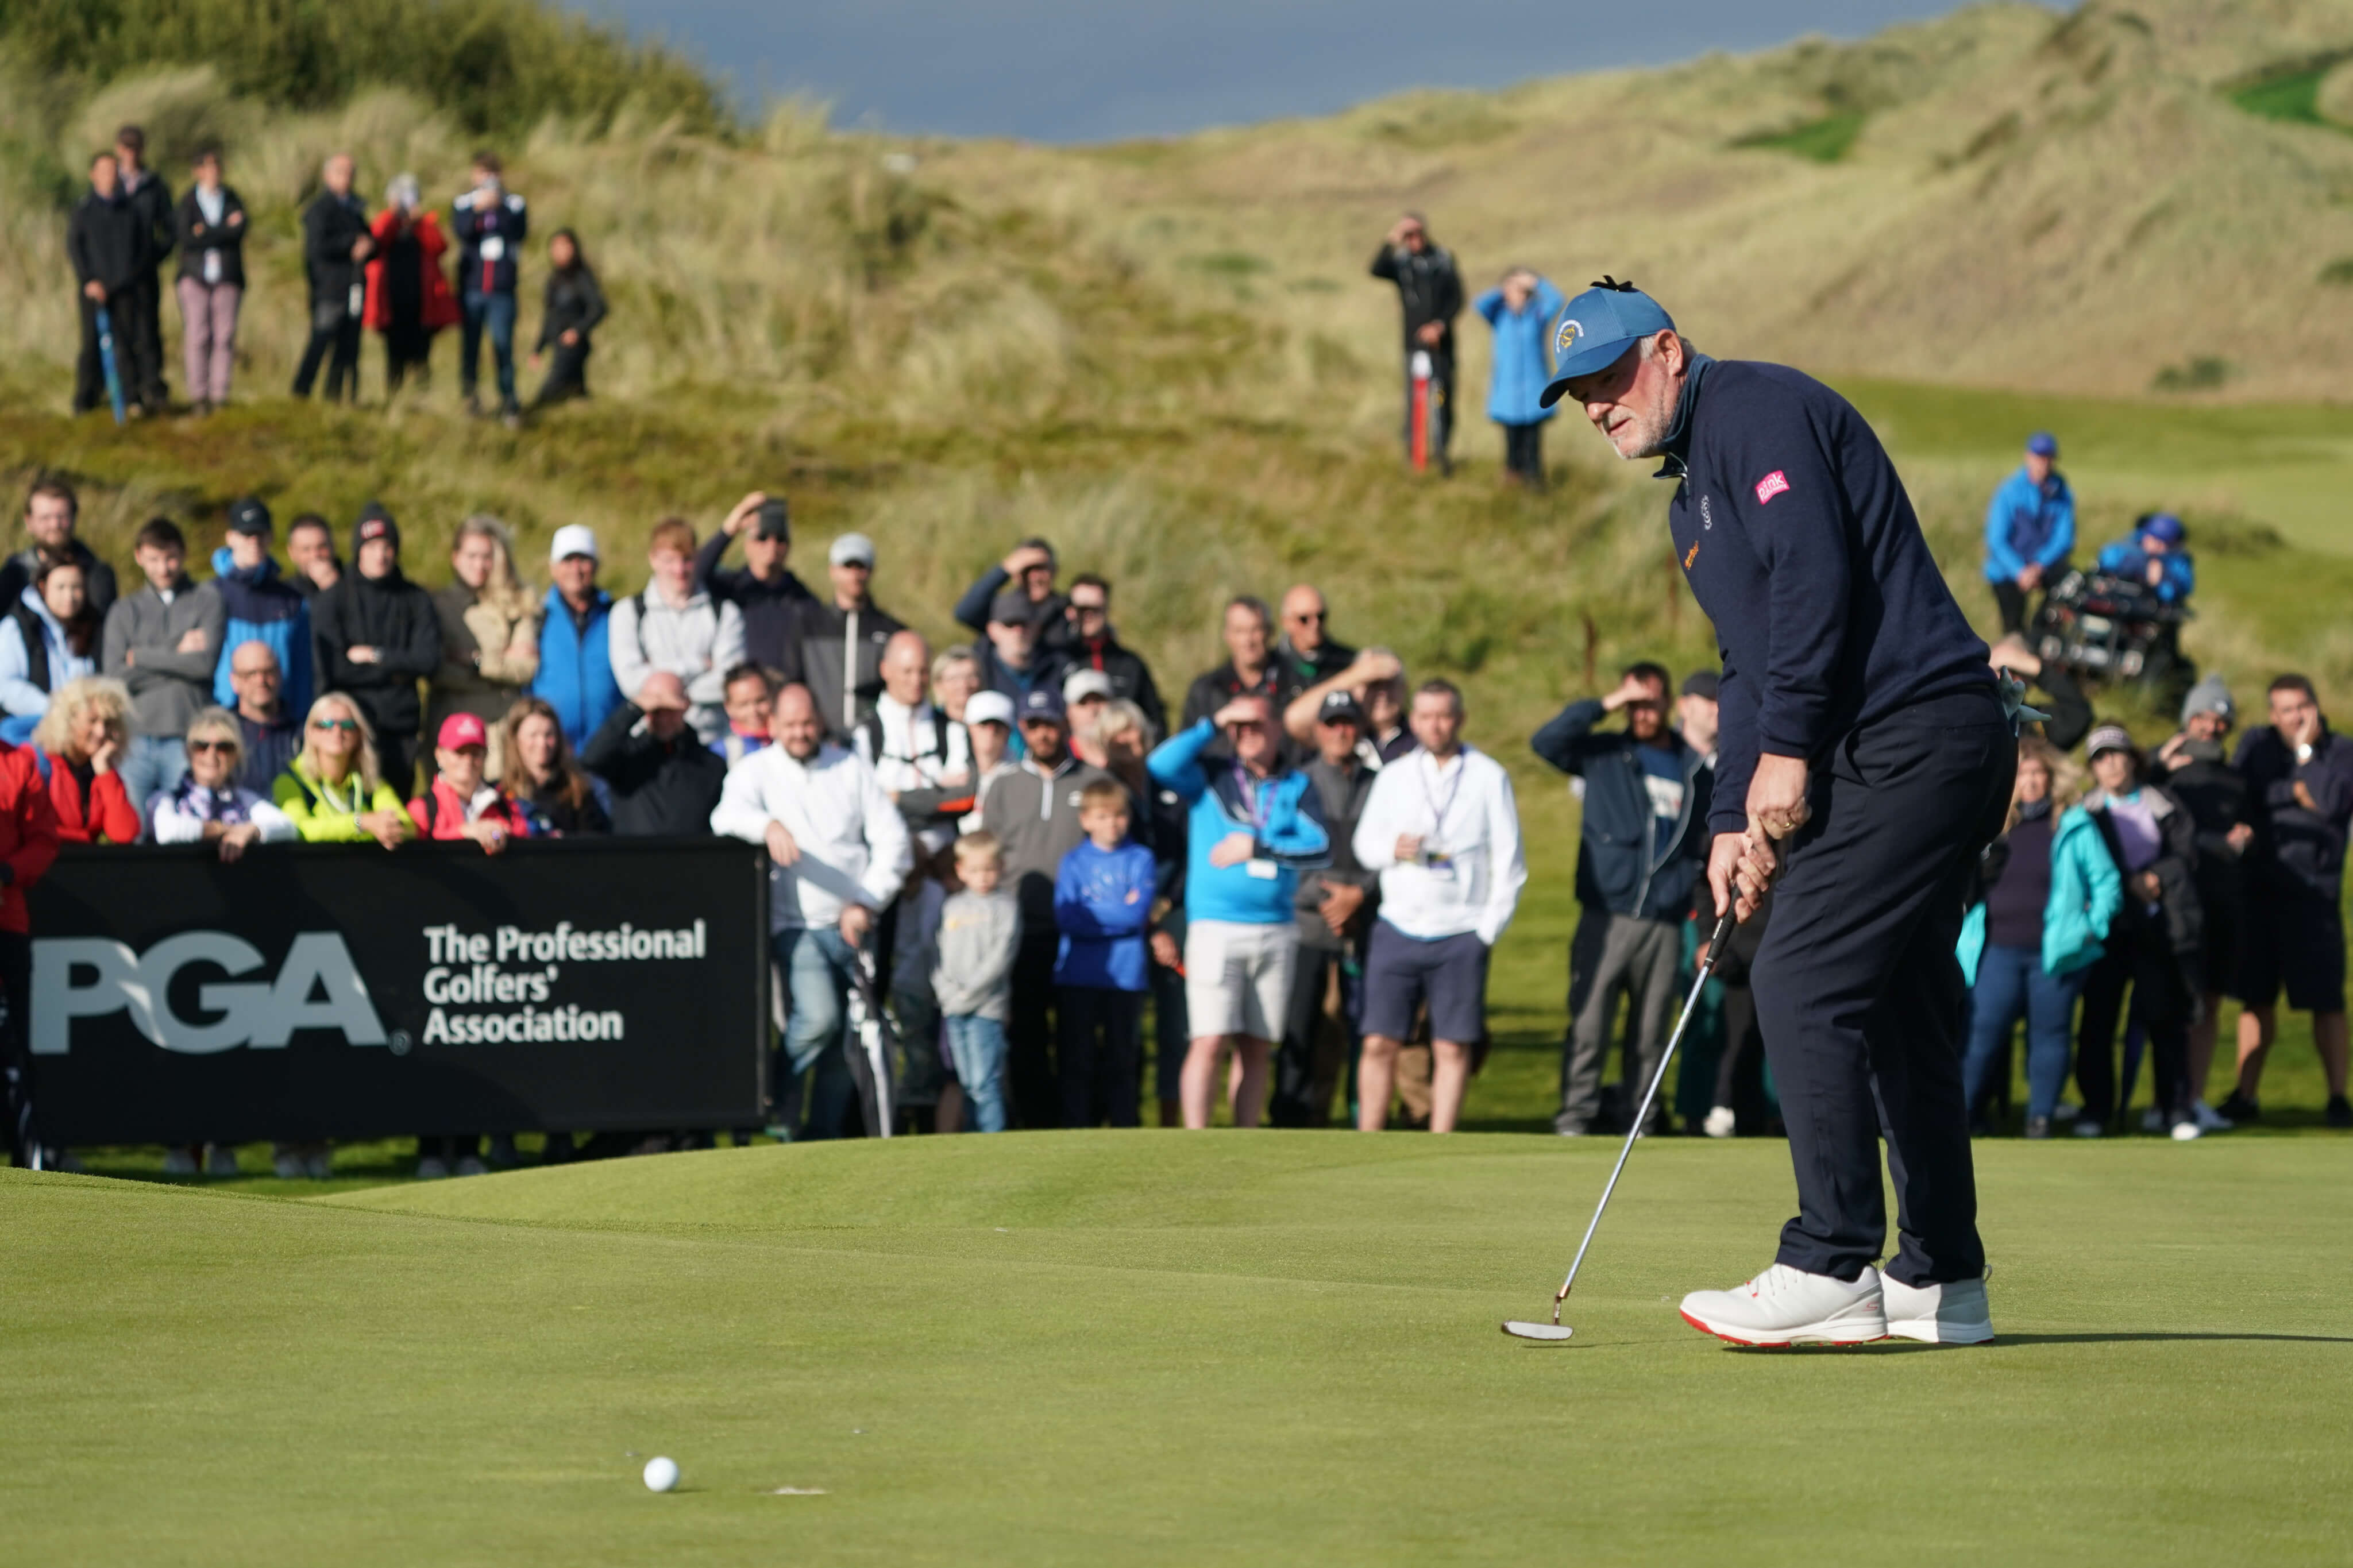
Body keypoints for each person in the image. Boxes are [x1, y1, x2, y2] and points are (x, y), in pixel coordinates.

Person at [1542, 278, 2012, 1346]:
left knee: (1800, 977)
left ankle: (1829, 1259)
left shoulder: (1754, 408)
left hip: (1917, 732)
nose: (1598, 406)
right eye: (1577, 395)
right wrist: (1725, 818)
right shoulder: (1688, 502)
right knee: (1898, 1007)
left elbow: (1814, 577)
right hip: (1908, 743)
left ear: (1667, 349)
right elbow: (1746, 668)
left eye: (1610, 377)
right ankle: (1943, 1281)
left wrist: (1790, 753)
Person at [712, 682, 912, 1140]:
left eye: (807, 723)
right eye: (791, 724)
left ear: (819, 721)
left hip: (855, 924)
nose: (801, 732)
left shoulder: (850, 768)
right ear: (773, 726)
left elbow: (894, 842)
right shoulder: (756, 770)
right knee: (818, 1020)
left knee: (847, 1042)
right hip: (796, 926)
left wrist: (867, 901)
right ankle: (773, 1104)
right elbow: (723, 817)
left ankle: (822, 1138)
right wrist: (766, 824)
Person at [1532, 664, 1710, 1136]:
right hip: (1607, 915)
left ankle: (1642, 1118)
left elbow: (1705, 846)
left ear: (1667, 704)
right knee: (1589, 1025)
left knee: (1651, 1034)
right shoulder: (1605, 753)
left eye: (1650, 702)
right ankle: (1577, 1115)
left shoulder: (1691, 766)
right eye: (1634, 704)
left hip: (1665, 920)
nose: (1642, 712)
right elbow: (1546, 742)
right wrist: (1605, 704)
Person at [1148, 693, 1330, 1130]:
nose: (1245, 733)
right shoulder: (1211, 777)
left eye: (1255, 724)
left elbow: (1319, 847)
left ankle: (1243, 1139)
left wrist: (1259, 847)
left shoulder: (1297, 785)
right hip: (1216, 927)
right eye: (1238, 726)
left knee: (1257, 1044)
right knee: (1209, 1039)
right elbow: (1161, 765)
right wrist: (1214, 722)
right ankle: (1196, 1139)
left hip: (1275, 930)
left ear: (1276, 728)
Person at [1353, 679, 1526, 1134]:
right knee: (1378, 1043)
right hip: (1398, 927)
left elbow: (1511, 862)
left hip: (1460, 932)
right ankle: (1365, 1142)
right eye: (1426, 716)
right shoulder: (1395, 777)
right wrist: (1393, 847)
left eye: (1444, 715)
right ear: (1413, 720)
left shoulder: (1489, 776)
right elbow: (1364, 845)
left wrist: (1485, 931)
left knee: (1452, 1047)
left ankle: (1441, 1140)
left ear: (1460, 718)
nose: (1435, 725)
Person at [1957, 738, 2120, 1138]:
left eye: (2037, 773)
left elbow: (2108, 884)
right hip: (1995, 949)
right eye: (2022, 774)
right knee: (1983, 1032)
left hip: (2057, 952)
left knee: (2050, 1034)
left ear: (2051, 778)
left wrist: (2089, 929)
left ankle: (2041, 1117)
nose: (2030, 781)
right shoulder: (1992, 824)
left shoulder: (2074, 823)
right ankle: (1961, 1118)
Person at [2224, 674, 2353, 1128]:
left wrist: (2302, 760)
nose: (2295, 717)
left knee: (2326, 1001)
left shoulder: (2341, 751)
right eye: (2284, 709)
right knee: (2256, 998)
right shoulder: (2256, 745)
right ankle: (2245, 1094)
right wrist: (2291, 792)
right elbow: (2243, 799)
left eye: (2302, 706)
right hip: (2260, 890)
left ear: (2315, 707)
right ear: (2271, 713)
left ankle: (2338, 1097)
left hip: (2315, 893)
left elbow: (2330, 802)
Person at [979, 688, 1112, 1126]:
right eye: (1033, 724)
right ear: (1022, 729)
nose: (1042, 733)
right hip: (1020, 929)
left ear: (1065, 726)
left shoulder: (1094, 781)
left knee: (1080, 1039)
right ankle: (1034, 1129)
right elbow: (989, 856)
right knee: (1027, 1036)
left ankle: (1083, 1125)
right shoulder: (1004, 785)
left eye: (1049, 723)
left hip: (1082, 931)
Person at [2075, 726, 2203, 1138]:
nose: (2110, 762)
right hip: (2107, 929)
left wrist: (2153, 877)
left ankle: (2174, 1110)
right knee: (2098, 1020)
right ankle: (2096, 1110)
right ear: (2093, 768)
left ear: (2133, 759)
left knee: (2166, 1018)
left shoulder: (2162, 803)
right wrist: (2124, 880)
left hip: (2156, 924)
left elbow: (2186, 853)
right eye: (2100, 757)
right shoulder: (2084, 811)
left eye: (2117, 753)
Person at [1275, 690, 1380, 1127]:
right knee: (1302, 1027)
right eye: (1332, 723)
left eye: (1348, 723)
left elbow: (1390, 853)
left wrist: (1360, 895)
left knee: (1369, 1032)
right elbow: (1284, 850)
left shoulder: (1381, 783)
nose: (1340, 731)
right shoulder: (1297, 784)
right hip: (1310, 925)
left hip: (1366, 923)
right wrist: (1330, 898)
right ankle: (1292, 1121)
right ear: (1317, 731)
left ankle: (1363, 1120)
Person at [2155, 676, 2251, 1133]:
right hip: (2176, 903)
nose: (2211, 727)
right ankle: (2165, 1102)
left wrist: (2245, 839)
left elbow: (2251, 833)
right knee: (2172, 1004)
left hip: (2224, 903)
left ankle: (2192, 1099)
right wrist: (2158, 764)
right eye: (2202, 717)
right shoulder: (2164, 770)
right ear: (2187, 720)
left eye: (2220, 720)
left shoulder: (2236, 780)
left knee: (2209, 1004)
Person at [311, 504, 440, 790]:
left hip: (401, 731)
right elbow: (336, 669)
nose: (380, 555)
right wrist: (398, 670)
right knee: (351, 814)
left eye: (387, 546)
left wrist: (375, 656)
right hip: (347, 733)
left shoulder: (416, 599)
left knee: (396, 816)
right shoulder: (334, 600)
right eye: (371, 546)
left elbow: (429, 660)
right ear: (359, 549)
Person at [1052, 778, 1156, 1127]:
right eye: (1102, 816)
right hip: (1078, 976)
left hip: (1125, 978)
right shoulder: (1073, 862)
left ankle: (1126, 1130)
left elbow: (1137, 915)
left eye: (1120, 815)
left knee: (1123, 1061)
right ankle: (1077, 1129)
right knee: (1077, 1060)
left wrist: (1094, 910)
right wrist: (1118, 911)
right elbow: (1067, 917)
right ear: (1085, 820)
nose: (1112, 824)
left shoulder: (1141, 858)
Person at [102, 517, 223, 806]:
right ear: (139, 557)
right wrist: (178, 652)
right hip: (134, 741)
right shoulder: (124, 610)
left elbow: (204, 666)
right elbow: (116, 678)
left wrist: (141, 657)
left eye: (170, 558)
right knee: (134, 835)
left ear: (183, 554)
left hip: (189, 737)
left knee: (184, 835)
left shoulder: (208, 600)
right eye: (154, 559)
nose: (163, 568)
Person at [611, 517, 745, 748]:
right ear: (653, 560)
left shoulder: (726, 612)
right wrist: (700, 667)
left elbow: (730, 680)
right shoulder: (627, 612)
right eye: (669, 560)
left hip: (711, 739)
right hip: (650, 740)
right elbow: (630, 680)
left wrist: (660, 678)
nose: (679, 570)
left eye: (687, 560)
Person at [427, 515, 541, 778]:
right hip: (453, 730)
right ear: (455, 557)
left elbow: (526, 668)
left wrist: (476, 662)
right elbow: (437, 669)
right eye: (472, 556)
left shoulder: (518, 603)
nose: (479, 565)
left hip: (503, 733)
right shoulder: (438, 606)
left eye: (487, 556)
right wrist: (501, 667)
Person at [0, 734, 61, 1169]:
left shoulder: (18, 764)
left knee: (15, 1047)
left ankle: (31, 1162)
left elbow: (44, 840)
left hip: (7, 921)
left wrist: (6, 872)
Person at [856, 629, 974, 852]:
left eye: (923, 671)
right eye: (907, 672)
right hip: (887, 856)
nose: (916, 681)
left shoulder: (952, 730)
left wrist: (896, 797)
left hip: (943, 859)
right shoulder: (864, 733)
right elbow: (863, 803)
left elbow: (965, 798)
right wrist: (937, 795)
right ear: (885, 670)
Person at [935, 832, 1022, 1133]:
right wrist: (947, 994)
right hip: (953, 1008)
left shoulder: (1006, 908)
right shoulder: (951, 907)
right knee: (967, 1083)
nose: (982, 877)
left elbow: (999, 960)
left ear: (1001, 867)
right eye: (974, 870)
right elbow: (938, 956)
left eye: (988, 869)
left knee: (986, 1082)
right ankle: (974, 1145)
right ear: (960, 871)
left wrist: (968, 994)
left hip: (987, 1009)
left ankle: (991, 1146)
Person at [1369, 213, 1463, 473]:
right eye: (1407, 234)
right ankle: (1415, 453)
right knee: (1415, 399)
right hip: (1414, 348)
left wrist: (1440, 326)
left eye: (1417, 232)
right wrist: (1392, 238)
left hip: (1441, 349)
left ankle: (1442, 450)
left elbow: (1457, 298)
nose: (1414, 239)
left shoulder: (1443, 259)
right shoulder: (1401, 264)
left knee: (1441, 397)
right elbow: (1376, 269)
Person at [581, 673, 726, 836]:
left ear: (686, 705)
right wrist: (633, 709)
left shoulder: (710, 765)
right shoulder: (626, 757)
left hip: (691, 860)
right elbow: (591, 759)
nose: (663, 718)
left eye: (670, 710)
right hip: (633, 859)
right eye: (656, 710)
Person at [210, 497, 315, 715]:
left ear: (271, 537)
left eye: (261, 534)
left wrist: (301, 717)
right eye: (247, 534)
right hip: (225, 720)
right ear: (230, 538)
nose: (254, 541)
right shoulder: (209, 595)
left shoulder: (292, 600)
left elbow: (304, 670)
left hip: (282, 720)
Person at [148, 707, 297, 858]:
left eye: (223, 748)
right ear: (188, 752)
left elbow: (288, 827)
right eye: (201, 746)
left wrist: (252, 830)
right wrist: (223, 830)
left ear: (236, 755)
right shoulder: (166, 799)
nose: (211, 754)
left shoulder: (245, 800)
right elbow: (166, 831)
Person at [796, 534, 905, 741]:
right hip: (820, 742)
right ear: (833, 571)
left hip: (876, 742)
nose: (855, 575)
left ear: (871, 571)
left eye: (861, 567)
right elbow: (794, 683)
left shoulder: (892, 631)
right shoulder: (808, 626)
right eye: (848, 567)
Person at [695, 492, 815, 678]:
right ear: (747, 545)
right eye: (763, 537)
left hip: (785, 693)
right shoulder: (731, 587)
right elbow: (695, 573)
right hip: (739, 690)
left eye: (780, 539)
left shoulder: (801, 597)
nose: (772, 545)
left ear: (789, 546)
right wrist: (731, 527)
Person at [272, 693, 411, 848]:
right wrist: (360, 823)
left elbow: (408, 825)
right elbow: (299, 829)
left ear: (359, 734)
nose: (337, 732)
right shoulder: (290, 779)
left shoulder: (370, 780)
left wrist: (392, 830)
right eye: (326, 725)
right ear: (310, 733)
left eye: (347, 725)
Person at [67, 152, 147, 418]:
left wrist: (126, 280)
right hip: (93, 290)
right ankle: (85, 400)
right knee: (91, 344)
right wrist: (89, 281)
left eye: (114, 170)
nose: (109, 176)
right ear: (93, 175)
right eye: (103, 171)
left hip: (124, 288)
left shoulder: (130, 209)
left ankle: (131, 397)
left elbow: (140, 250)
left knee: (126, 342)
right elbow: (75, 249)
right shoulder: (83, 210)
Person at [529, 524, 622, 750]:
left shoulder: (617, 615)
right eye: (568, 561)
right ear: (553, 568)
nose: (576, 569)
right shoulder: (536, 617)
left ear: (596, 566)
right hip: (551, 751)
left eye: (584, 560)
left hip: (610, 750)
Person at [364, 173, 457, 396]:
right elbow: (377, 241)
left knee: (421, 357)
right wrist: (394, 216)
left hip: (422, 304)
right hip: (391, 304)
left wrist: (420, 222)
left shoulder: (424, 226)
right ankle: (393, 401)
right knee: (394, 356)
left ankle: (422, 401)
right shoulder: (385, 222)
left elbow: (440, 247)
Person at [452, 152, 528, 424]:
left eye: (491, 174)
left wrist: (500, 208)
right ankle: (470, 398)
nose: (486, 181)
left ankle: (509, 401)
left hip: (502, 289)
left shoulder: (515, 204)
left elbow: (519, 233)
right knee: (470, 346)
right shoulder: (464, 203)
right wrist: (479, 210)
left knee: (503, 345)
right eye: (481, 174)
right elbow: (462, 232)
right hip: (472, 287)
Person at [170, 146, 246, 414]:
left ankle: (219, 395)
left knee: (224, 336)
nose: (214, 172)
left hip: (227, 277)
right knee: (198, 335)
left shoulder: (233, 198)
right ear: (198, 171)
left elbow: (239, 232)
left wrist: (207, 232)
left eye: (218, 167)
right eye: (209, 167)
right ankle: (198, 396)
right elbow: (186, 238)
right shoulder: (187, 202)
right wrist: (224, 229)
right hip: (195, 276)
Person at [293, 153, 374, 403]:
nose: (347, 177)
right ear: (328, 176)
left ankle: (336, 396)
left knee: (349, 345)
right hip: (329, 287)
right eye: (341, 172)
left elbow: (369, 239)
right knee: (320, 340)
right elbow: (317, 248)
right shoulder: (319, 209)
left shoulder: (355, 206)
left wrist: (369, 246)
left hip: (354, 285)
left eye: (350, 172)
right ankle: (301, 393)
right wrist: (351, 243)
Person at [1475, 267, 1565, 488]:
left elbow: (1557, 300)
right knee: (1511, 445)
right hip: (1507, 396)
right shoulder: (1499, 316)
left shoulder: (1537, 315)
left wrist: (1535, 282)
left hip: (1533, 394)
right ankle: (1512, 483)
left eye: (1522, 291)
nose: (1518, 295)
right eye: (1513, 291)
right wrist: (1504, 288)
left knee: (1533, 446)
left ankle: (1535, 484)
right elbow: (1479, 304)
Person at [0, 558, 101, 746]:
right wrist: (57, 710)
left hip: (80, 734)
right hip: (29, 731)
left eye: (76, 587)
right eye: (61, 587)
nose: (69, 596)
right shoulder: (17, 627)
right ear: (43, 587)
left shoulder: (93, 628)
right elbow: (6, 686)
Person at [1982, 432, 2073, 636]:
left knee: (2070, 584)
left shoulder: (2061, 492)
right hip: (2008, 570)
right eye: (2038, 457)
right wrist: (2020, 571)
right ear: (2028, 457)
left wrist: (2039, 566)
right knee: (2013, 629)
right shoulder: (2009, 491)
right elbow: (1996, 540)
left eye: (2048, 458)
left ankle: (2041, 637)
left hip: (2043, 566)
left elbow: (2063, 539)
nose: (2043, 463)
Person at [30, 678, 140, 843]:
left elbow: (125, 833)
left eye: (108, 723)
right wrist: (85, 839)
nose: (101, 732)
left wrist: (105, 771)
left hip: (86, 864)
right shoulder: (42, 766)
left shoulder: (103, 770)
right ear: (69, 721)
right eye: (93, 721)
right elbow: (37, 831)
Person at [111, 126, 173, 412]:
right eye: (126, 147)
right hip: (116, 274)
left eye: (135, 147)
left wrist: (155, 255)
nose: (131, 152)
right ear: (118, 149)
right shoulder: (109, 184)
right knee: (122, 334)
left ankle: (154, 389)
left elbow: (169, 229)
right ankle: (129, 392)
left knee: (149, 331)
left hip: (146, 273)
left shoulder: (155, 185)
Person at [409, 711, 531, 850]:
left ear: (485, 756)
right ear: (440, 755)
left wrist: (498, 837)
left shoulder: (507, 807)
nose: (468, 760)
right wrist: (465, 833)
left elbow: (523, 844)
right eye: (460, 752)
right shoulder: (422, 809)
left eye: (475, 753)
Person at [1060, 574, 1163, 734]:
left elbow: (1155, 720)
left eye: (1095, 609)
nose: (1088, 615)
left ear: (1107, 609)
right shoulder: (1058, 660)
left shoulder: (1130, 664)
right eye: (1082, 609)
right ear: (1070, 611)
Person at [6, 479, 117, 621]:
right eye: (45, 518)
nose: (55, 525)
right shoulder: (15, 574)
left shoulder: (96, 574)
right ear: (29, 522)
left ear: (74, 517)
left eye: (62, 517)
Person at [498, 696, 611, 835]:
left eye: (548, 735)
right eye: (533, 735)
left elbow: (596, 841)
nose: (542, 743)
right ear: (516, 739)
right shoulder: (501, 795)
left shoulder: (577, 792)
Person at [1180, 596, 1281, 736]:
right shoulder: (1206, 691)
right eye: (1240, 631)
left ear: (1270, 632)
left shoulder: (1292, 684)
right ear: (1227, 635)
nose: (1248, 641)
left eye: (1256, 630)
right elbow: (1188, 744)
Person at [529, 229, 605, 409]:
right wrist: (538, 349)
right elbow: (550, 317)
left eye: (564, 246)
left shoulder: (582, 277)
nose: (560, 251)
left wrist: (577, 331)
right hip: (558, 343)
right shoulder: (554, 280)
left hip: (573, 346)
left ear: (574, 248)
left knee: (549, 394)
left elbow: (599, 308)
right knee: (576, 392)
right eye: (555, 247)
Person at [974, 589, 1066, 729]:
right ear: (992, 630)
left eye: (1024, 624)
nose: (1018, 632)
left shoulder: (1060, 668)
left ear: (1037, 628)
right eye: (1009, 625)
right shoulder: (977, 673)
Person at [1985, 634, 2092, 753]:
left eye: (2017, 671)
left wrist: (2038, 669)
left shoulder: (2032, 724)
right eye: (2001, 670)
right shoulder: (1968, 710)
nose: (2009, 678)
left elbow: (2078, 715)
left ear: (2029, 681)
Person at [952, 539, 1067, 651]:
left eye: (1041, 569)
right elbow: (965, 613)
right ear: (1015, 574)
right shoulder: (1002, 608)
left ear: (1055, 571)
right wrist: (1003, 570)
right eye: (1027, 570)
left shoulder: (1066, 610)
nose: (1035, 577)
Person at [225, 640, 301, 794]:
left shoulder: (304, 732)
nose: (261, 681)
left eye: (268, 672)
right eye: (250, 674)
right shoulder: (221, 736)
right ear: (234, 681)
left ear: (280, 674)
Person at [1272, 584, 1356, 711]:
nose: (1315, 624)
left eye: (1321, 617)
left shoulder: (1348, 661)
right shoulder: (1271, 667)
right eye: (1304, 619)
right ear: (1286, 622)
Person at [2095, 512, 2194, 605]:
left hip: (2149, 606)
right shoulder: (2125, 549)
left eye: (2160, 543)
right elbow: (2106, 563)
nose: (2154, 545)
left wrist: (2157, 583)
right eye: (2152, 539)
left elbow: (2173, 592)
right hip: (2116, 598)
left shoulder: (2176, 563)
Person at [712, 662, 777, 768]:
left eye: (760, 700)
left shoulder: (791, 740)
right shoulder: (720, 753)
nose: (754, 711)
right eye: (743, 705)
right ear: (728, 707)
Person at [285, 513, 341, 601]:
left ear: (333, 546)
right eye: (306, 549)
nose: (315, 555)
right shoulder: (284, 595)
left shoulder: (354, 585)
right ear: (292, 553)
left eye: (322, 547)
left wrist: (333, 589)